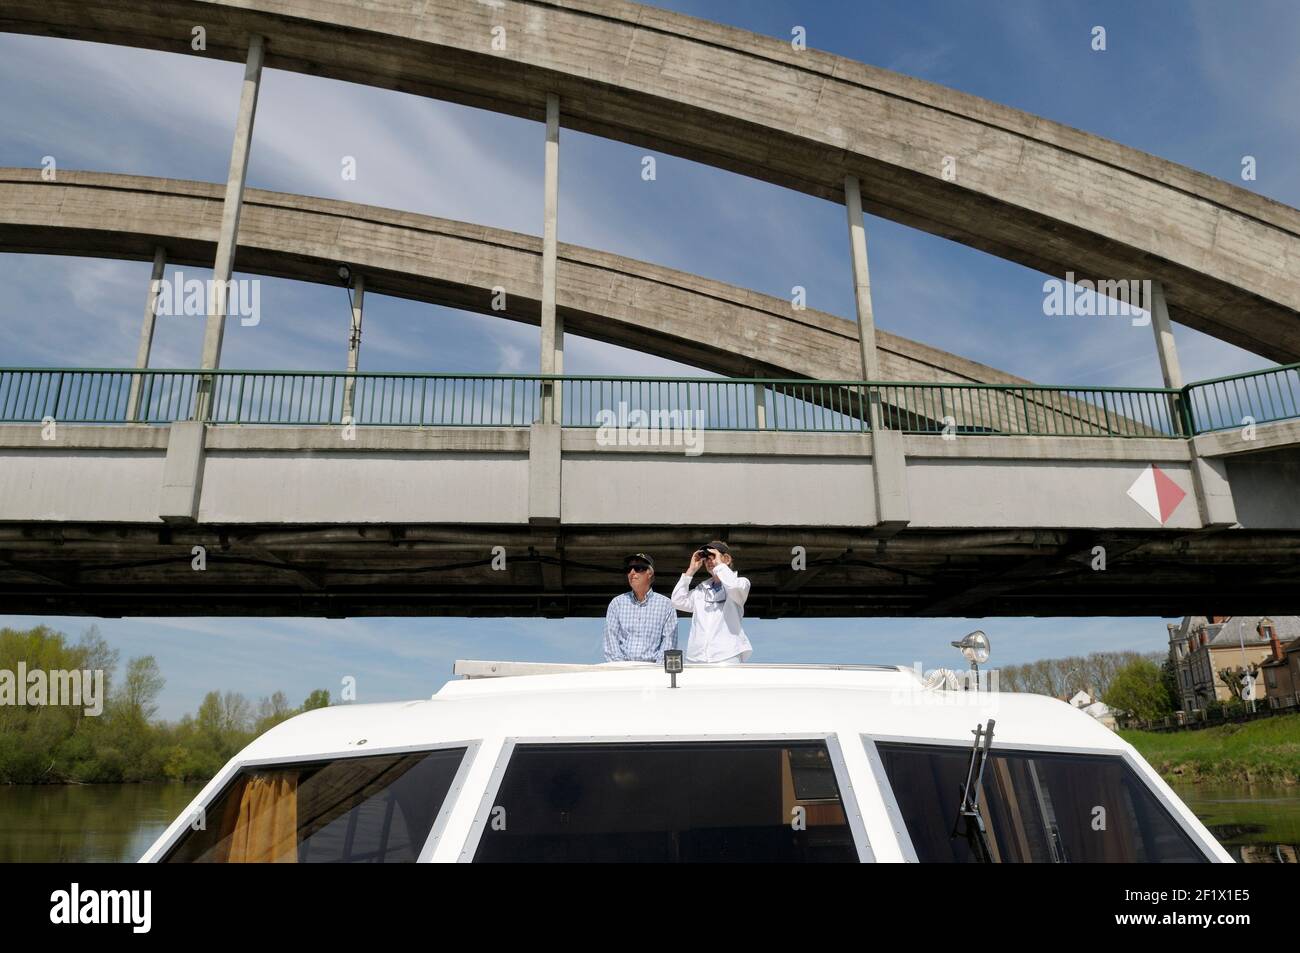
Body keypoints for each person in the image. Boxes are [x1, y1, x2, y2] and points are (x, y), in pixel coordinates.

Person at [672, 541, 752, 663]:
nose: (709, 561)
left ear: (727, 559)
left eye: (713, 556)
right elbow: (677, 601)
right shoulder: (701, 589)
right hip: (697, 657)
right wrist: (691, 571)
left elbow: (734, 587)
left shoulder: (741, 582)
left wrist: (720, 565)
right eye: (706, 558)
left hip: (727, 655)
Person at [602, 552, 679, 662]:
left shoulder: (666, 605)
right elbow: (611, 641)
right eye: (629, 569)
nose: (632, 572)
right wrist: (620, 668)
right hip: (621, 670)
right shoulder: (616, 604)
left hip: (653, 671)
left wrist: (656, 670)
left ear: (650, 573)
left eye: (638, 568)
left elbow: (669, 643)